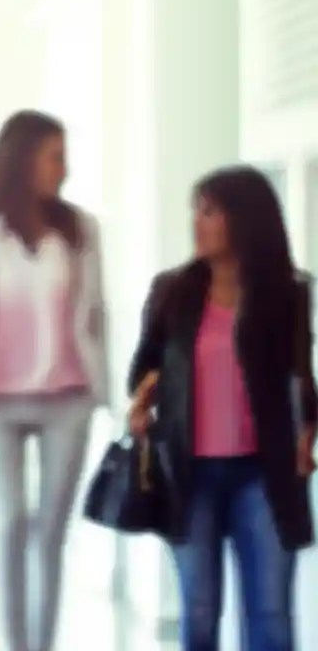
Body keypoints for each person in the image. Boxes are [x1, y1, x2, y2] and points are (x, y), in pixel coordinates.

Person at [127, 165, 316, 651]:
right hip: (190, 474)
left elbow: (300, 375)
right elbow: (143, 369)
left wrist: (307, 434)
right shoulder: (171, 292)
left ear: (244, 218)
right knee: (199, 611)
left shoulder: (289, 293)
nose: (197, 222)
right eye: (196, 211)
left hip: (265, 473)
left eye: (210, 212)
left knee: (271, 614)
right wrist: (142, 403)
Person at [0, 110, 109, 651]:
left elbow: (97, 314)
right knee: (10, 522)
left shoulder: (80, 229)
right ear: (22, 160)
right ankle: (15, 644)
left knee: (51, 532)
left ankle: (42, 645)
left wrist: (107, 389)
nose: (64, 169)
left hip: (68, 397)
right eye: (55, 157)